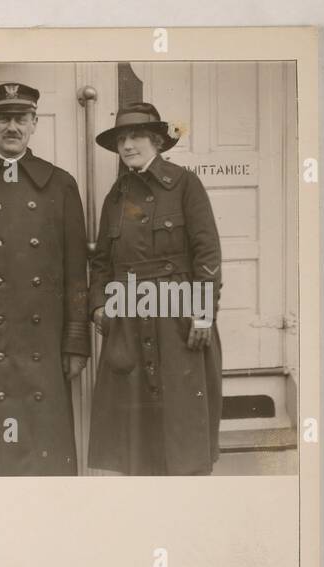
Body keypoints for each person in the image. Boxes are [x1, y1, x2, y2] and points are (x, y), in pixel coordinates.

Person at [0, 82, 90, 476]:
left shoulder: (60, 184)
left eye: (20, 119)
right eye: (4, 118)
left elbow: (77, 271)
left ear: (34, 123)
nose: (12, 127)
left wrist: (76, 343)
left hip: (44, 339)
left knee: (45, 449)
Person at [87, 102, 224, 475]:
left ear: (157, 141)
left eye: (136, 136)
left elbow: (207, 252)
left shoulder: (184, 184)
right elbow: (101, 262)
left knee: (181, 430)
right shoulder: (115, 197)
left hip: (177, 315)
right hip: (127, 317)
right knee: (134, 439)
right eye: (121, 139)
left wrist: (202, 313)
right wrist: (99, 307)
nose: (128, 145)